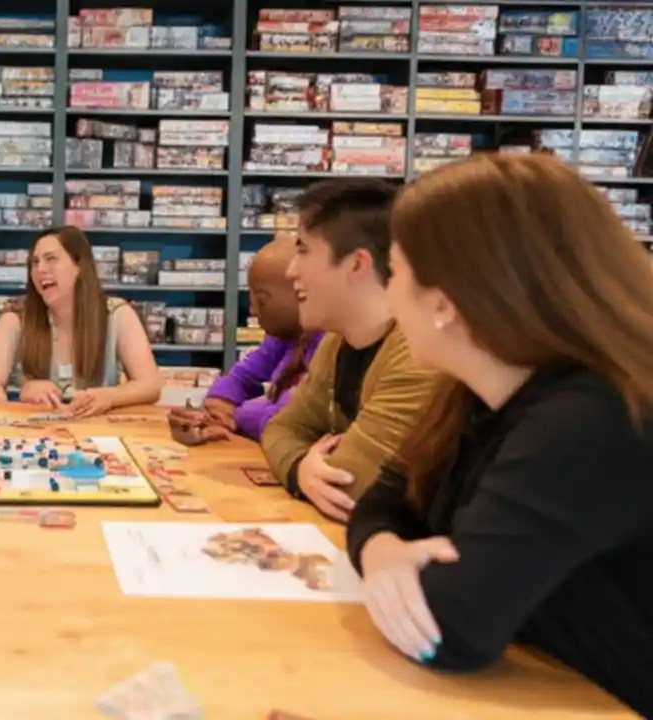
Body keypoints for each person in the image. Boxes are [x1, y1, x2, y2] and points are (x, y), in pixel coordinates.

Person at [347, 153, 653, 715]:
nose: (389, 298)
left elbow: (451, 629)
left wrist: (408, 570)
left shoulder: (592, 420)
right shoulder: (471, 391)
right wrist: (386, 553)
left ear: (443, 304)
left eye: (397, 272)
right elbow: (380, 505)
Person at [260, 179, 434, 522]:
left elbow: (348, 486)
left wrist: (309, 465)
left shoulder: (418, 355)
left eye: (303, 250)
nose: (292, 270)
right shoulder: (336, 340)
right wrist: (300, 468)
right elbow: (281, 428)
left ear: (357, 264)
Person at [0, 226, 163, 418]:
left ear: (79, 266)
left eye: (51, 259)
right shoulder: (14, 320)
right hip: (35, 435)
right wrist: (19, 395)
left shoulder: (118, 315)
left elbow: (150, 385)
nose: (41, 269)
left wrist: (110, 397)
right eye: (35, 262)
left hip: (99, 434)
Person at [169, 235, 322, 443]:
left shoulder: (328, 345)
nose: (253, 310)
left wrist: (237, 416)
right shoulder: (281, 339)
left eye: (262, 300)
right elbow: (241, 376)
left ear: (300, 291)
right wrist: (220, 402)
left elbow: (287, 416)